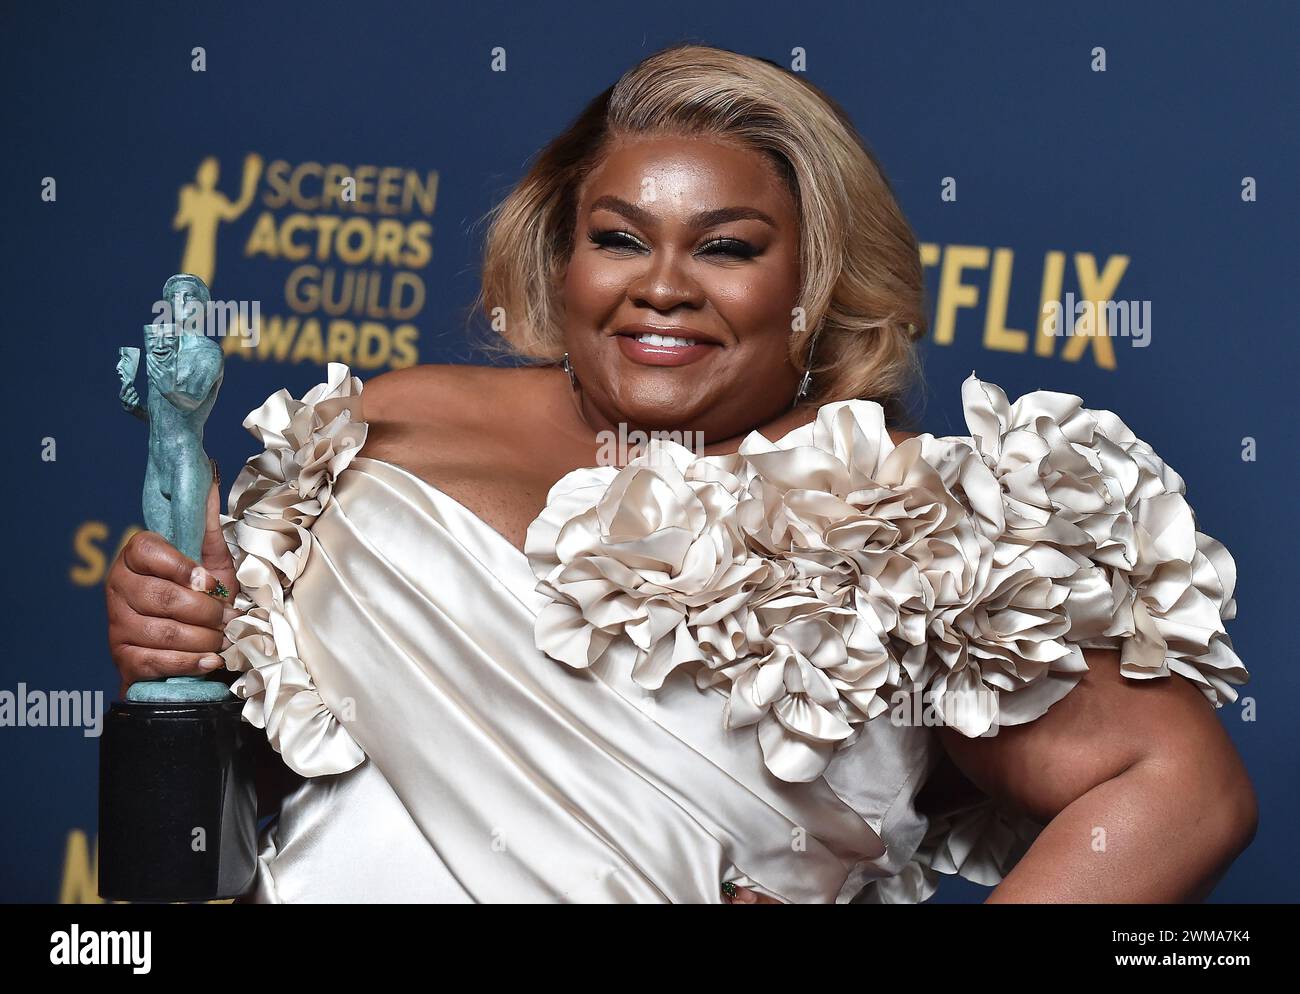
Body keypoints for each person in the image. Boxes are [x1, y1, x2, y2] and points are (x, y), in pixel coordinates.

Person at [104, 43, 1256, 903]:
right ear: (560, 261)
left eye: (725, 247)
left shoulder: (902, 517)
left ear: (813, 280)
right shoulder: (382, 426)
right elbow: (265, 773)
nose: (662, 284)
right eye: (618, 237)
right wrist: (180, 639)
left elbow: (1181, 789)